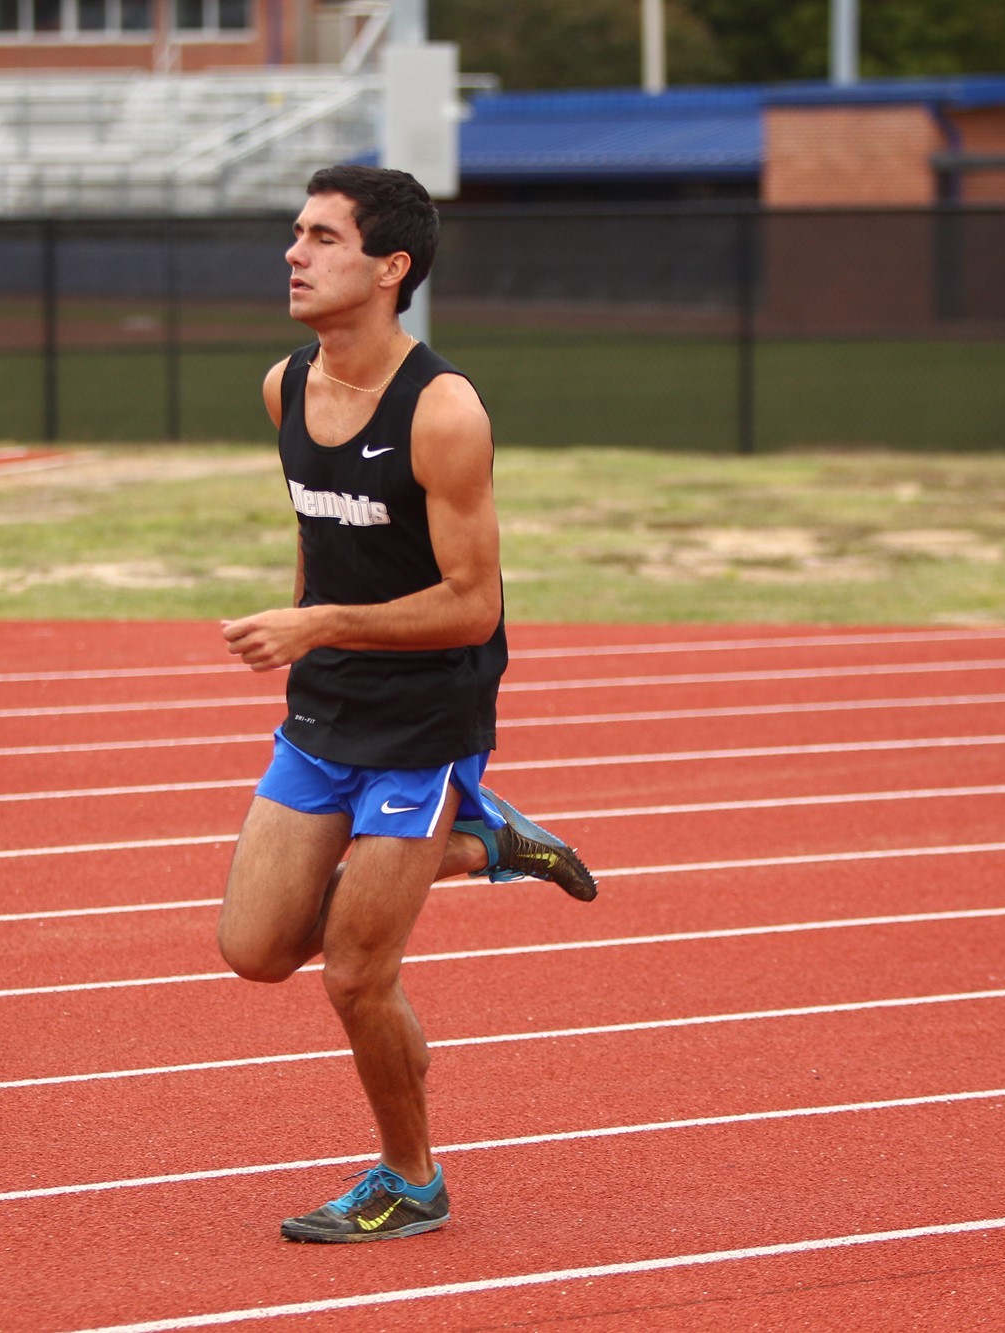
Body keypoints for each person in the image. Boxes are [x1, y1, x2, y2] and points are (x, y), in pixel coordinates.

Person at [218, 164, 598, 1244]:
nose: (294, 253)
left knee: (353, 969)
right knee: (252, 948)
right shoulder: (282, 386)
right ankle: (483, 840)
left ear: (390, 269)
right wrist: (306, 638)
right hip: (325, 708)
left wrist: (317, 623)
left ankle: (410, 1177)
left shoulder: (442, 411)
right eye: (294, 231)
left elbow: (472, 608)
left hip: (425, 719)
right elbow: (315, 534)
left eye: (322, 238)